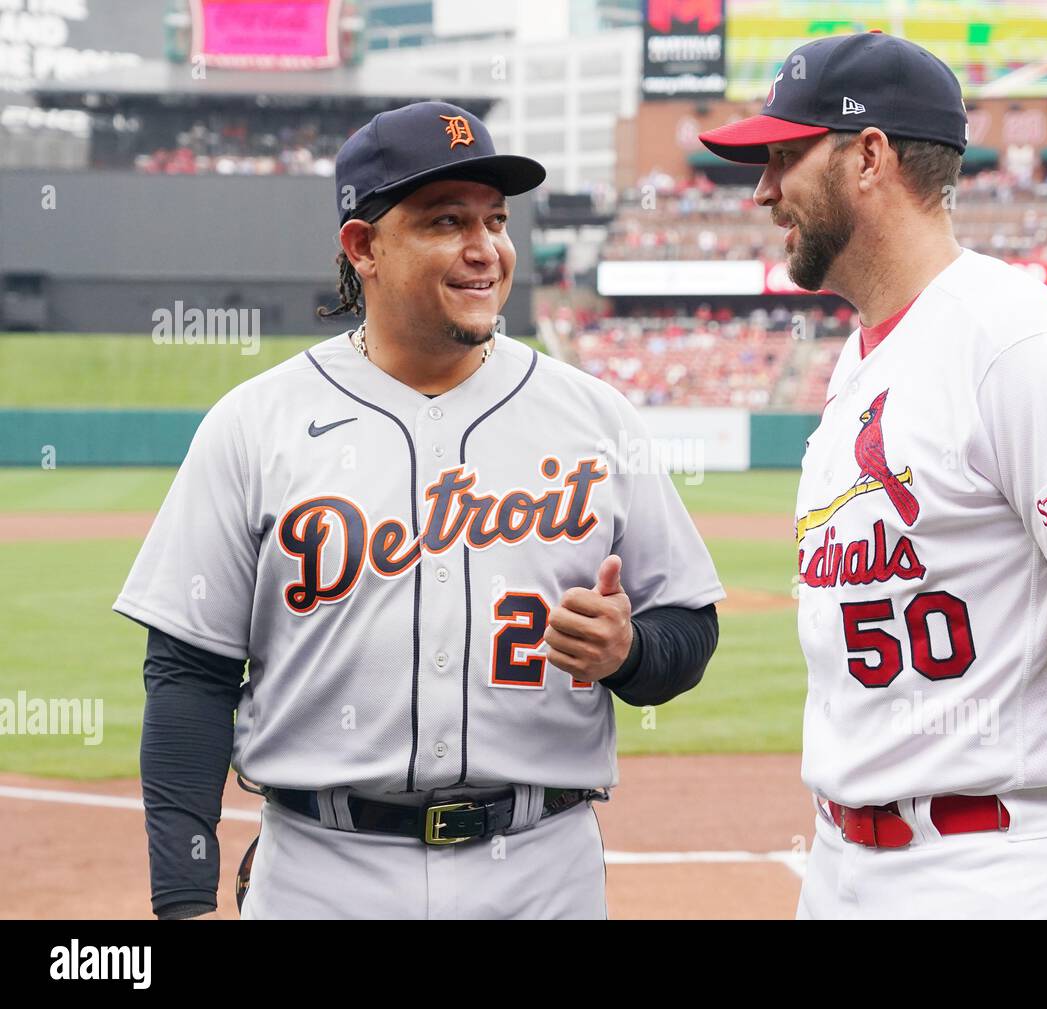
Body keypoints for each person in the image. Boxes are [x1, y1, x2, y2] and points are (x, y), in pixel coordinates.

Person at [115, 101, 724, 920]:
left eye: (496, 220)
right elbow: (191, 670)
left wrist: (629, 651)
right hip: (323, 871)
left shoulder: (596, 416)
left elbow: (687, 626)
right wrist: (183, 898)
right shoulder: (257, 423)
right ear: (364, 247)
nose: (486, 250)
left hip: (541, 868)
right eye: (446, 221)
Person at [700, 31, 1047, 920]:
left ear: (870, 156)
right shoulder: (859, 364)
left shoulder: (1013, 340)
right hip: (846, 861)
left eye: (782, 156)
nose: (764, 190)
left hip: (995, 872)